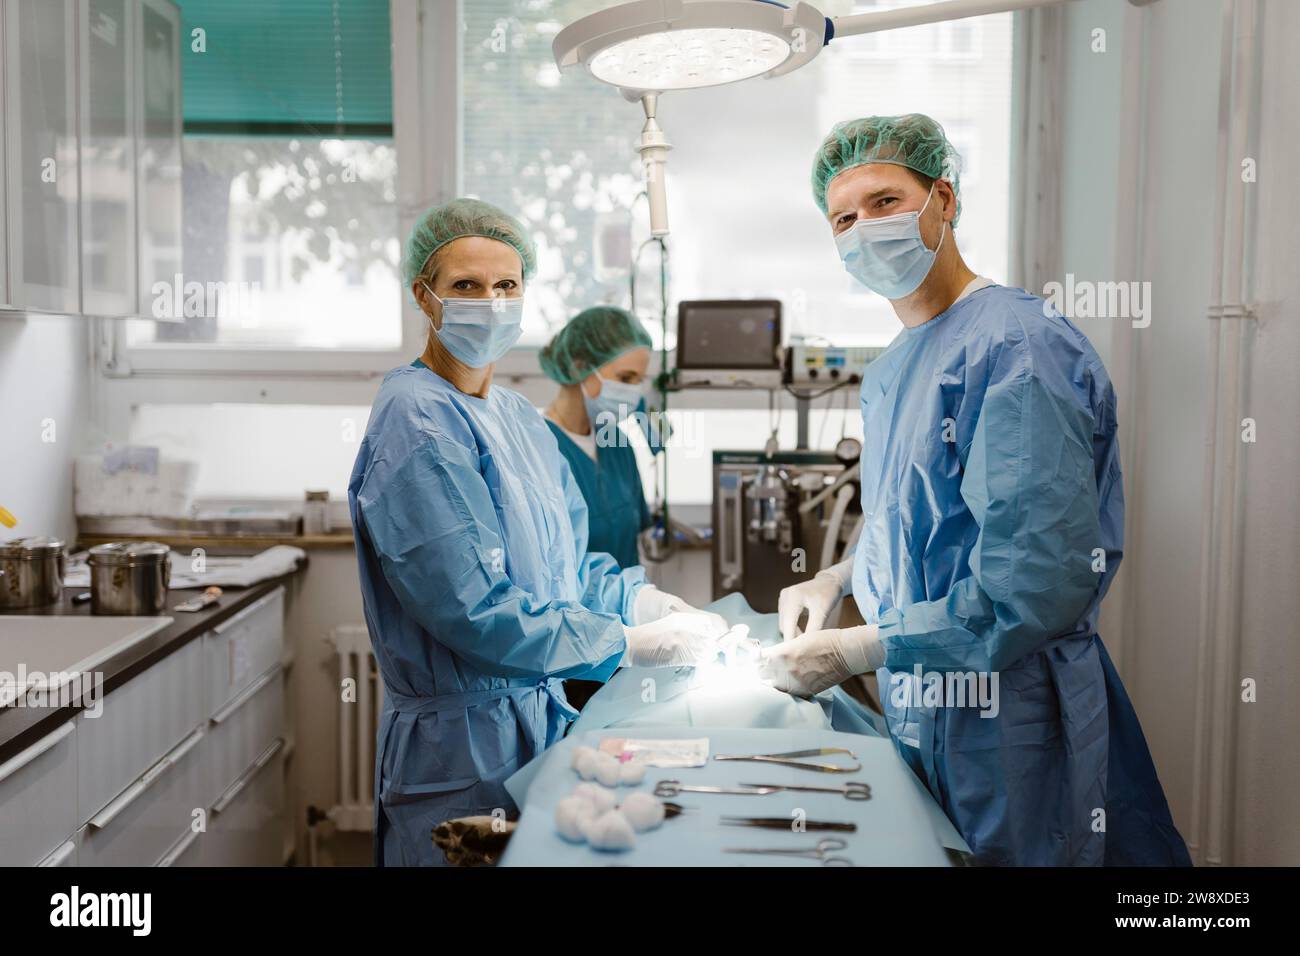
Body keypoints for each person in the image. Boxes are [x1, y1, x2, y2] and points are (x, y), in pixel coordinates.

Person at [759, 114, 1191, 867]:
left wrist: (858, 648)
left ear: (944, 200)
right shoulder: (896, 365)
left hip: (1011, 718)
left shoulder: (1017, 347)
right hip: (922, 698)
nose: (864, 228)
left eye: (885, 202)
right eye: (843, 218)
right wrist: (838, 578)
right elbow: (914, 518)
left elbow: (1033, 582)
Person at [348, 198, 724, 866]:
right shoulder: (415, 420)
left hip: (539, 726)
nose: (489, 302)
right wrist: (627, 644)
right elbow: (473, 611)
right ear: (423, 295)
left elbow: (570, 569)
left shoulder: (518, 421)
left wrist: (640, 603)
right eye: (466, 286)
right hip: (460, 746)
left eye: (506, 286)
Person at [540, 306, 655, 570]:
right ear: (579, 366)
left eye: (639, 380)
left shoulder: (617, 444)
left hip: (628, 605)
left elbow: (634, 538)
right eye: (625, 378)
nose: (634, 393)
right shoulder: (538, 449)